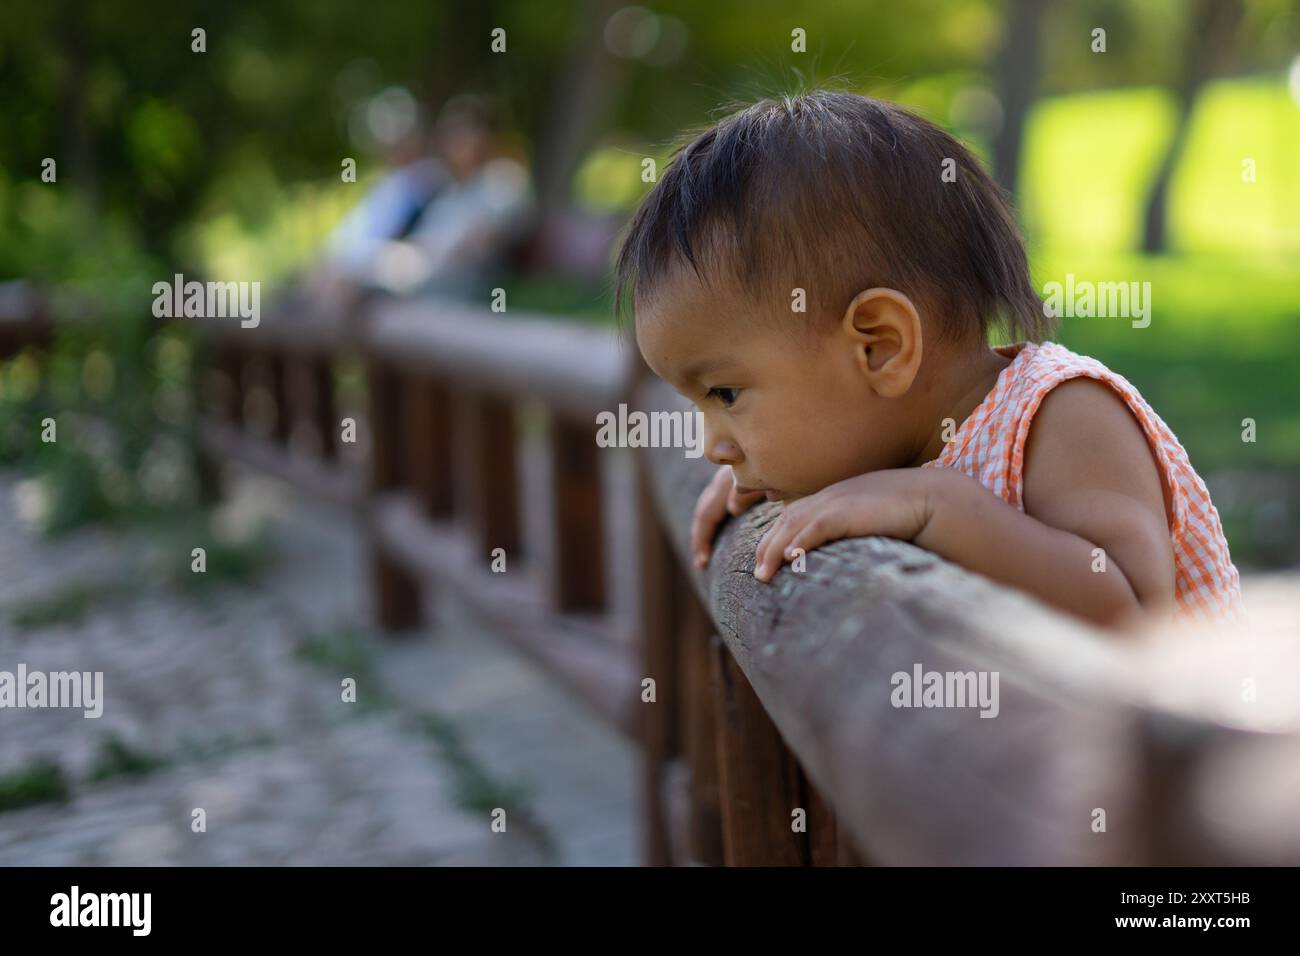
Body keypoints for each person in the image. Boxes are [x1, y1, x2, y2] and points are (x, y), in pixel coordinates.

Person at [615, 90, 1241, 629]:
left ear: (880, 346)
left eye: (724, 395)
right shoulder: (889, 445)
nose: (711, 448)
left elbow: (1134, 614)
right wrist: (781, 486)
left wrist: (937, 506)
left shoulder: (1063, 412)